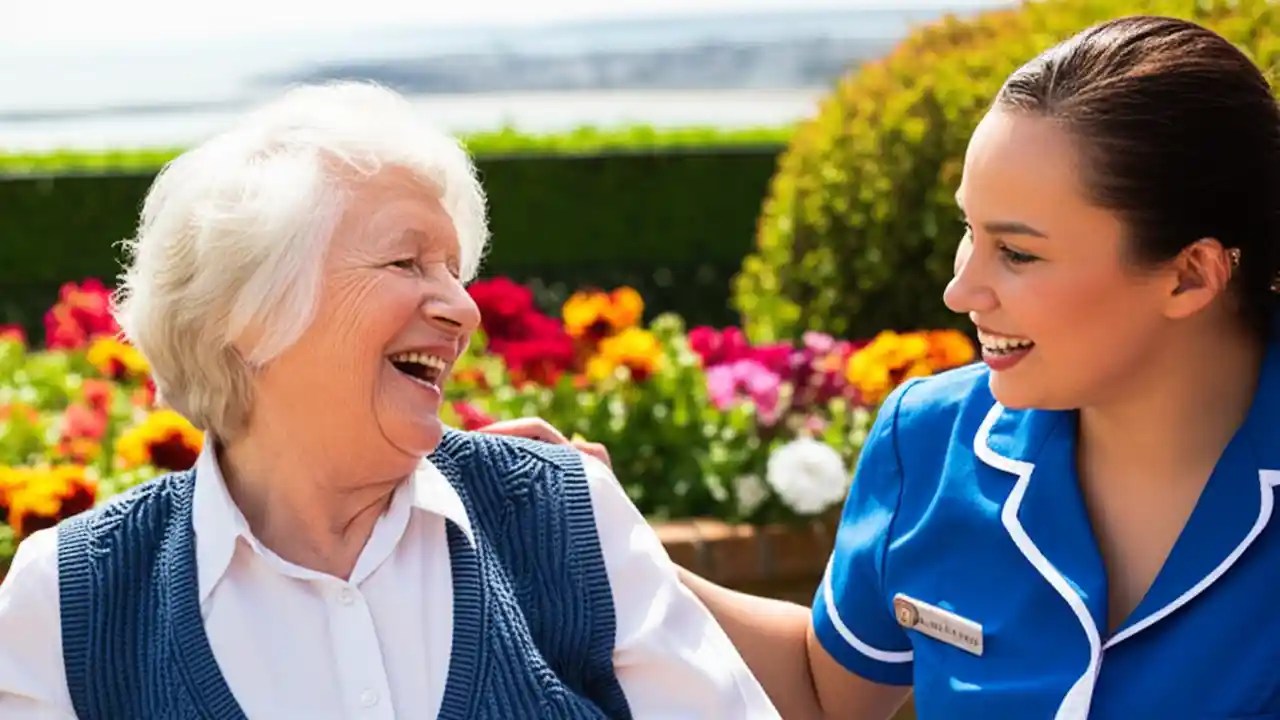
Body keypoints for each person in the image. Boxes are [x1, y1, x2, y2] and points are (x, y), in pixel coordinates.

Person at [502, 14, 1280, 719]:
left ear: (1190, 274)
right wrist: (601, 541)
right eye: (967, 231)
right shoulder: (929, 441)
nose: (960, 287)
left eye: (1016, 252)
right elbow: (824, 688)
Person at [0, 81, 780, 719]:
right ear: (251, 313)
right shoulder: (68, 598)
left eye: (455, 270)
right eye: (408, 262)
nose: (462, 309)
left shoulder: (564, 513)